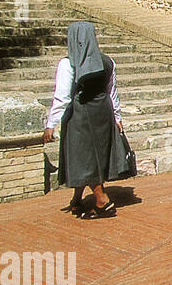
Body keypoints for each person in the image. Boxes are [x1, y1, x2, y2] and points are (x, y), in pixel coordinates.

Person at [43, 21, 130, 219]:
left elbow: (63, 96)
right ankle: (76, 199)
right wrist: (117, 117)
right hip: (103, 113)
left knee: (82, 157)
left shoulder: (68, 63)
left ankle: (102, 200)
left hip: (79, 116)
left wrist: (51, 124)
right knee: (94, 156)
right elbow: (112, 92)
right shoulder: (108, 62)